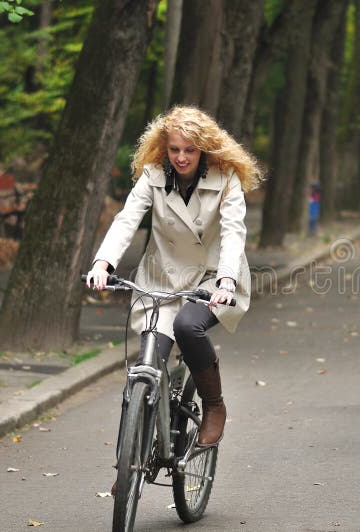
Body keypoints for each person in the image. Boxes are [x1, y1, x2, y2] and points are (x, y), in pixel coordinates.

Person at [86, 106, 262, 451]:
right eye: (174, 149)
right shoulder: (152, 176)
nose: (181, 158)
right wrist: (102, 264)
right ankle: (129, 462)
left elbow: (232, 233)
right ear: (164, 148)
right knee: (146, 365)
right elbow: (126, 220)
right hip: (161, 280)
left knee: (187, 326)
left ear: (204, 149)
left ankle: (214, 405)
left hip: (213, 279)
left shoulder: (225, 179)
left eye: (190, 150)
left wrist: (227, 281)